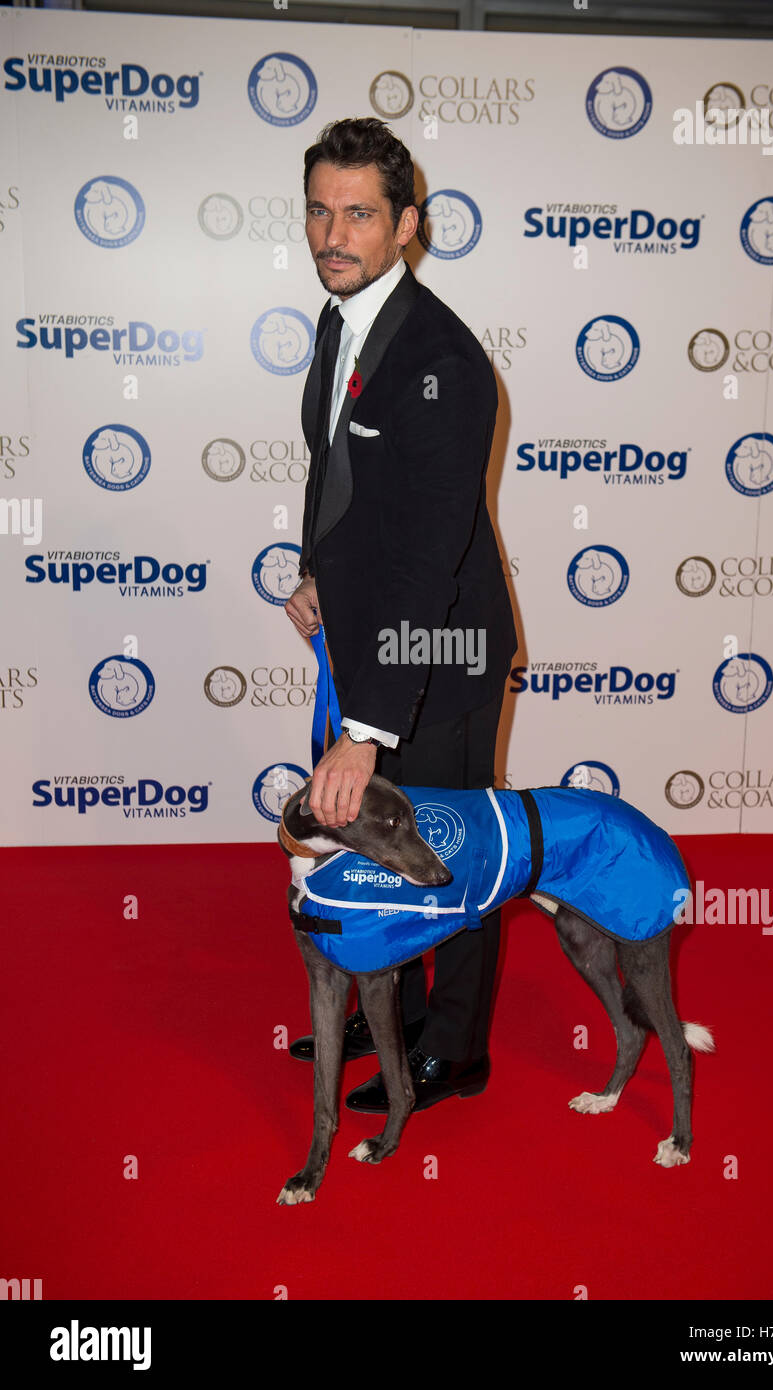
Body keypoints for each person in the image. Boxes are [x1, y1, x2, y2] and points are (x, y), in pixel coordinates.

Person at [284, 117, 517, 1114]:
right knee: (391, 847)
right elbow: (334, 466)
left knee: (449, 854)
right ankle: (403, 1011)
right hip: (369, 638)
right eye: (319, 210)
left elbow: (430, 547)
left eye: (360, 215)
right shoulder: (342, 316)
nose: (333, 234)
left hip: (442, 651)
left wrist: (366, 732)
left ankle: (453, 1051)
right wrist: (315, 570)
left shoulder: (444, 361)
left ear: (406, 224)